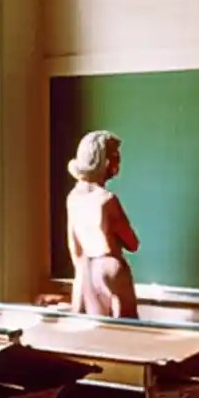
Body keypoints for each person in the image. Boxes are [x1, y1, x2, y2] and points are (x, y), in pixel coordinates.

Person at [66, 130, 140, 319]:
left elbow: (74, 247)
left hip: (85, 269)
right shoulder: (107, 200)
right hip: (110, 267)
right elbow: (133, 244)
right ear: (106, 162)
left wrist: (80, 275)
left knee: (95, 335)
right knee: (126, 330)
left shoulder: (73, 198)